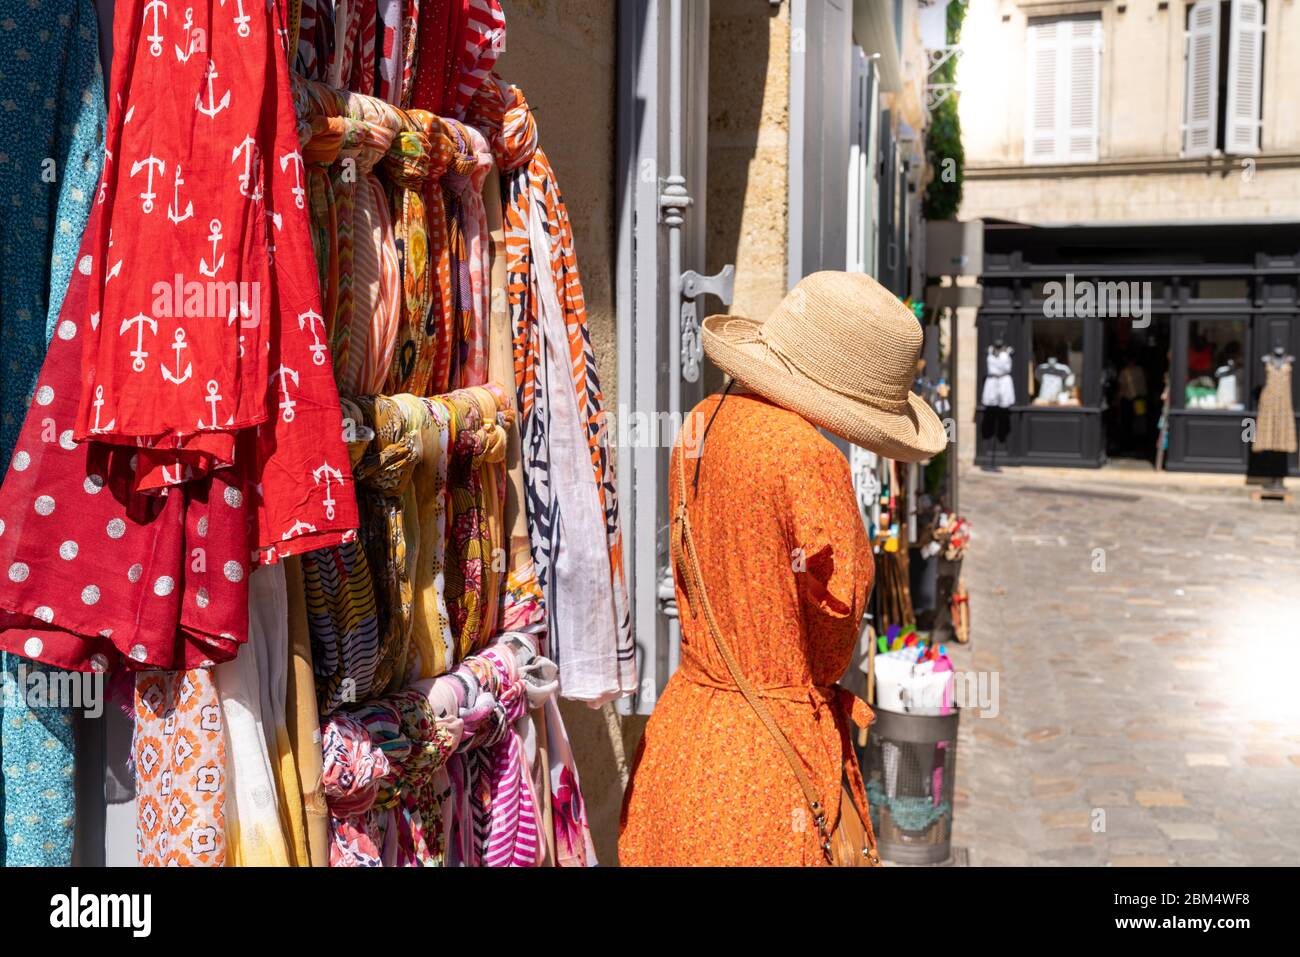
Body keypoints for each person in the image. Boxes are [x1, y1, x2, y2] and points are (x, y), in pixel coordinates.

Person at [618, 272, 946, 866]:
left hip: (684, 738)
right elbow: (832, 629)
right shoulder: (807, 458)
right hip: (766, 771)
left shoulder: (702, 422)